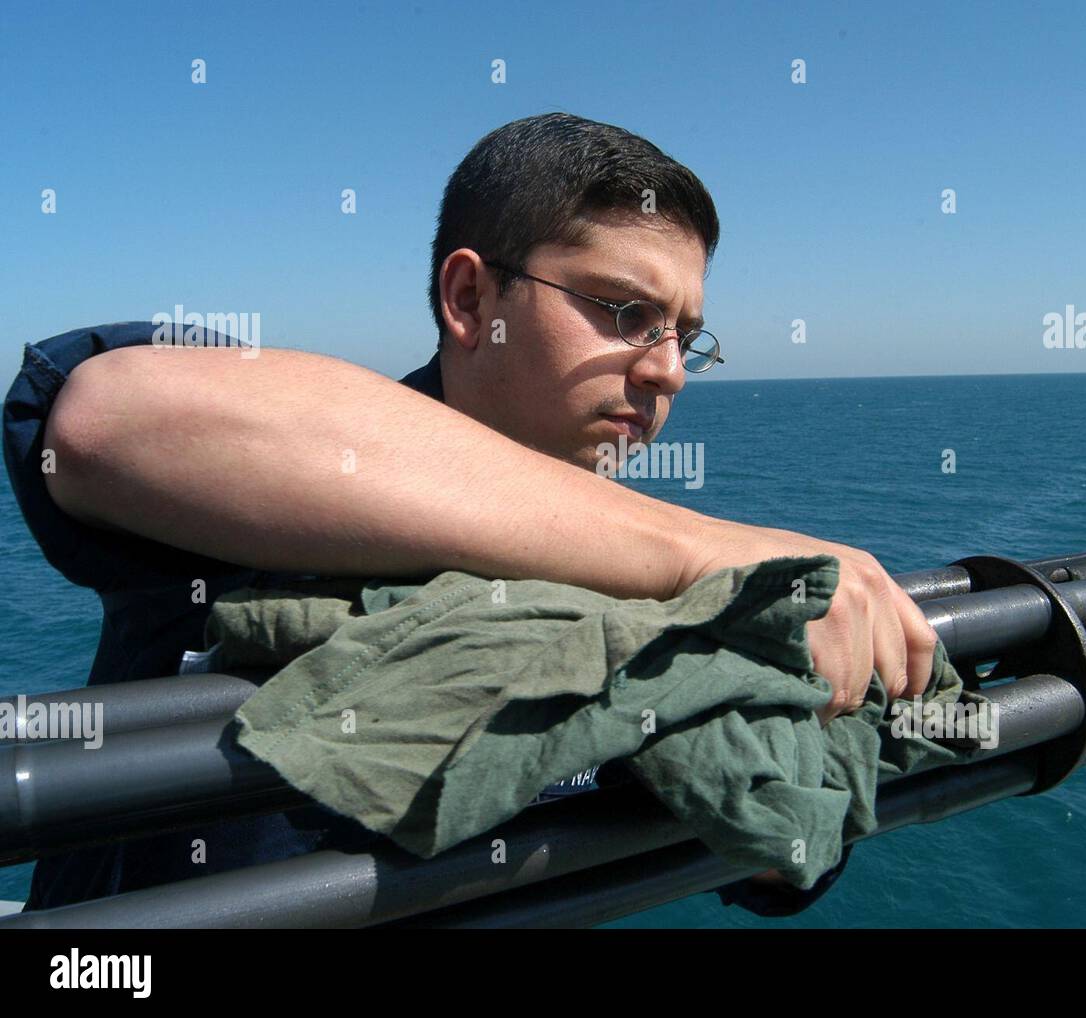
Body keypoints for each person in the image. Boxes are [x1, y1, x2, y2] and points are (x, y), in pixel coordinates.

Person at [2, 111, 937, 913]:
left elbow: (758, 837)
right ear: (467, 296)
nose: (667, 370)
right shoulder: (296, 491)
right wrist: (703, 549)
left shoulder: (637, 586)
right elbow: (98, 419)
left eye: (686, 336)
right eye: (622, 311)